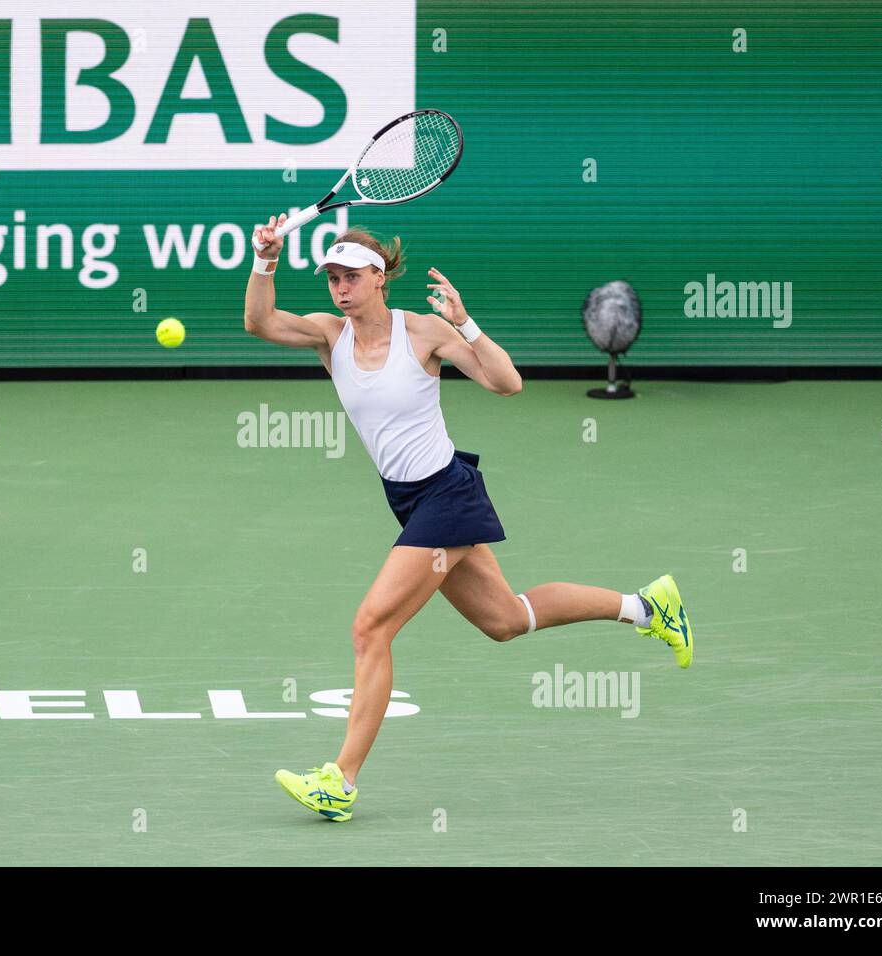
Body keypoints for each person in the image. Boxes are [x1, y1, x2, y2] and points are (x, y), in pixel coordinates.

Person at [242, 213, 693, 822]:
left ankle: (340, 781)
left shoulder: (425, 332)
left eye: (351, 277)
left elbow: (508, 384)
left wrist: (466, 325)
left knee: (371, 627)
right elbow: (260, 322)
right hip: (409, 499)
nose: (339, 288)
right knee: (506, 620)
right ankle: (646, 606)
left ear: (379, 279)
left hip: (444, 495)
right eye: (331, 279)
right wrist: (265, 258)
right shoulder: (330, 335)